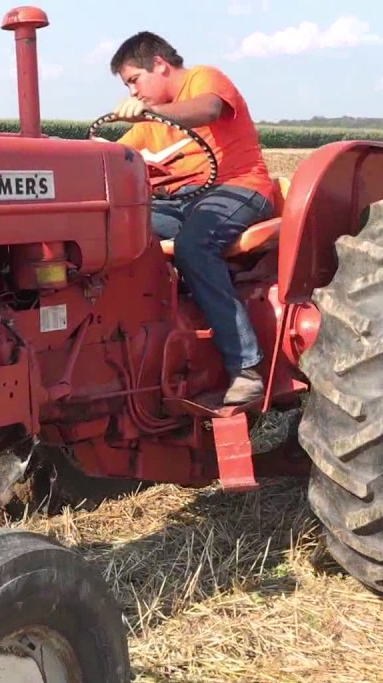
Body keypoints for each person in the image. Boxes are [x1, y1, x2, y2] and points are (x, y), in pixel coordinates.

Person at [106, 32, 275, 405]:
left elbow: (209, 109)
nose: (134, 93)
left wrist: (151, 112)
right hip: (182, 203)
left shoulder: (203, 79)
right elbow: (114, 153)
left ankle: (245, 369)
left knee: (194, 245)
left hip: (240, 189)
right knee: (115, 235)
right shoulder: (150, 123)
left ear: (161, 65)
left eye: (134, 80)